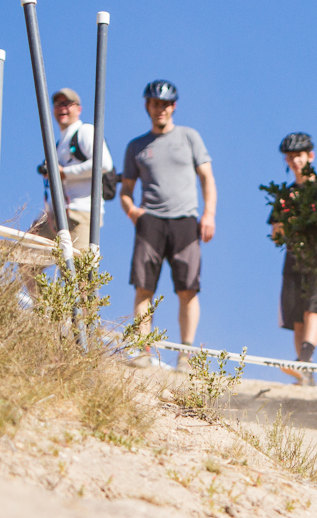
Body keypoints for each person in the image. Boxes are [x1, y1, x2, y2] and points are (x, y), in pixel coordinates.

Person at [121, 80, 217, 370]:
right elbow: (126, 190)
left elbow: (207, 178)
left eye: (165, 104)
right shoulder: (136, 146)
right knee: (143, 288)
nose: (160, 109)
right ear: (147, 106)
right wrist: (133, 212)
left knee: (188, 289)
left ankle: (184, 355)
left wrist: (209, 214)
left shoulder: (189, 137)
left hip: (185, 222)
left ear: (173, 106)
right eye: (155, 103)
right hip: (150, 222)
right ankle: (142, 351)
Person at [23, 87, 114, 301]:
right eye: (58, 104)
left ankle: (84, 323)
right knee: (26, 260)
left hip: (81, 214)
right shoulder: (59, 143)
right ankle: (46, 314)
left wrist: (65, 172)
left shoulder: (85, 131)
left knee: (80, 278)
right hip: (56, 215)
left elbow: (104, 164)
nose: (62, 108)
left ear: (78, 109)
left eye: (67, 104)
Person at [268, 132, 317, 386]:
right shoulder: (285, 195)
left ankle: (303, 361)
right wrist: (288, 220)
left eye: (299, 155)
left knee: (313, 308)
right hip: (293, 259)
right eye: (290, 157)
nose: (295, 161)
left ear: (310, 156)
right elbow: (276, 235)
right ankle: (306, 373)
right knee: (296, 317)